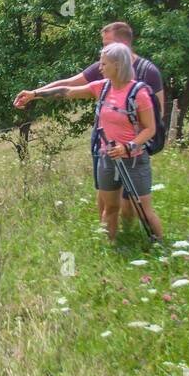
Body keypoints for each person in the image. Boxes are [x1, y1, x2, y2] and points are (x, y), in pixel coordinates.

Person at [14, 22, 164, 227]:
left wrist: (132, 145)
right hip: (105, 148)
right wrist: (34, 94)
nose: (100, 62)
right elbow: (68, 86)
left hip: (134, 154)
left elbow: (155, 120)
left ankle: (137, 238)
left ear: (122, 49)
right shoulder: (103, 76)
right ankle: (110, 243)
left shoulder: (147, 74)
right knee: (107, 202)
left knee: (133, 208)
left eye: (107, 45)